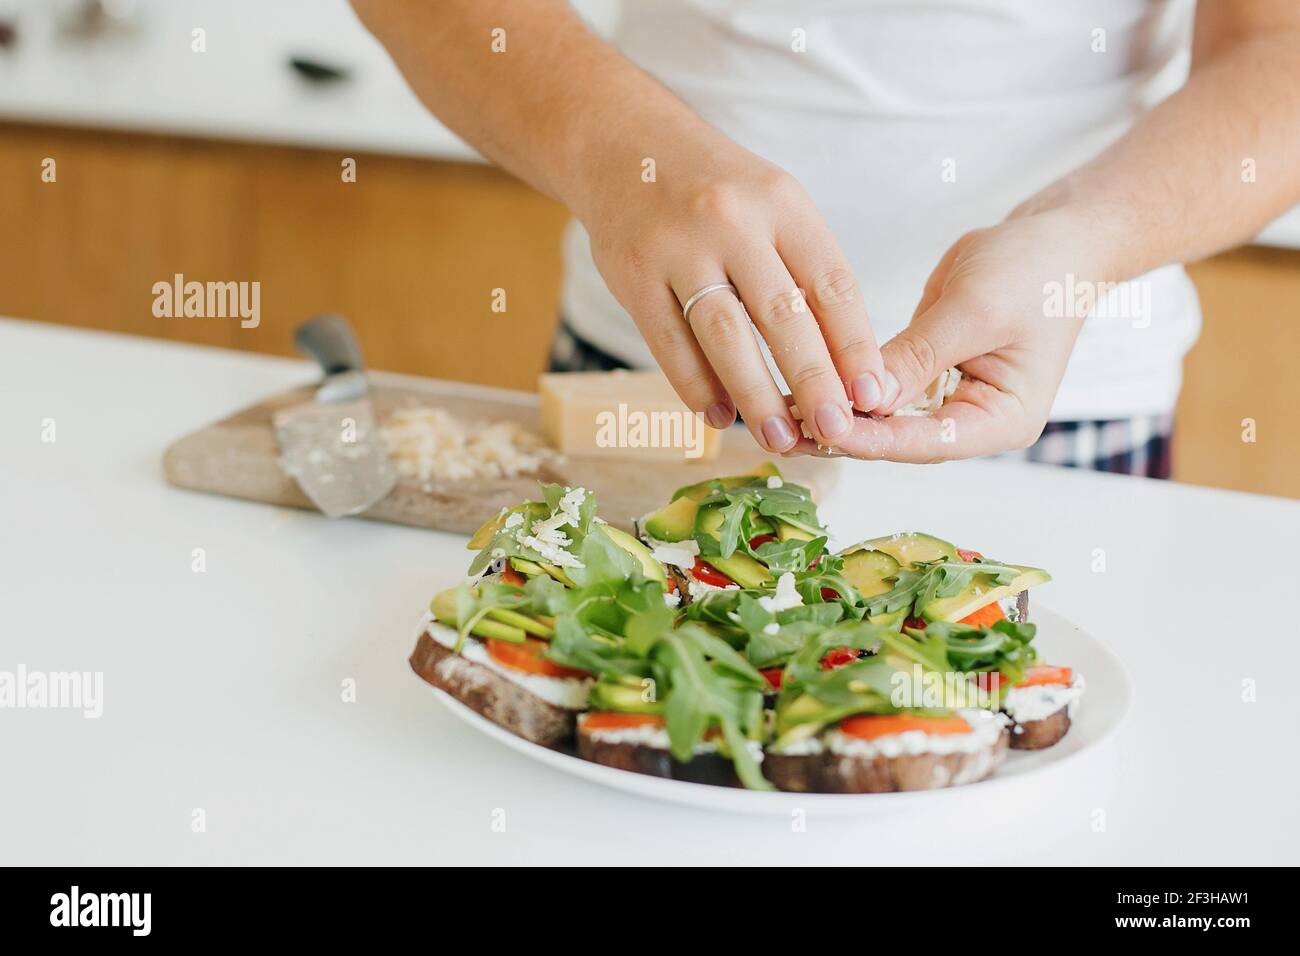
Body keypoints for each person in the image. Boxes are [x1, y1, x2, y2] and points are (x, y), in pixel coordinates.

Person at [352, 0, 1300, 475]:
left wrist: (1079, 244)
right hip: (656, 369)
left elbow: (1279, 49)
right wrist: (618, 155)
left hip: (1064, 399)